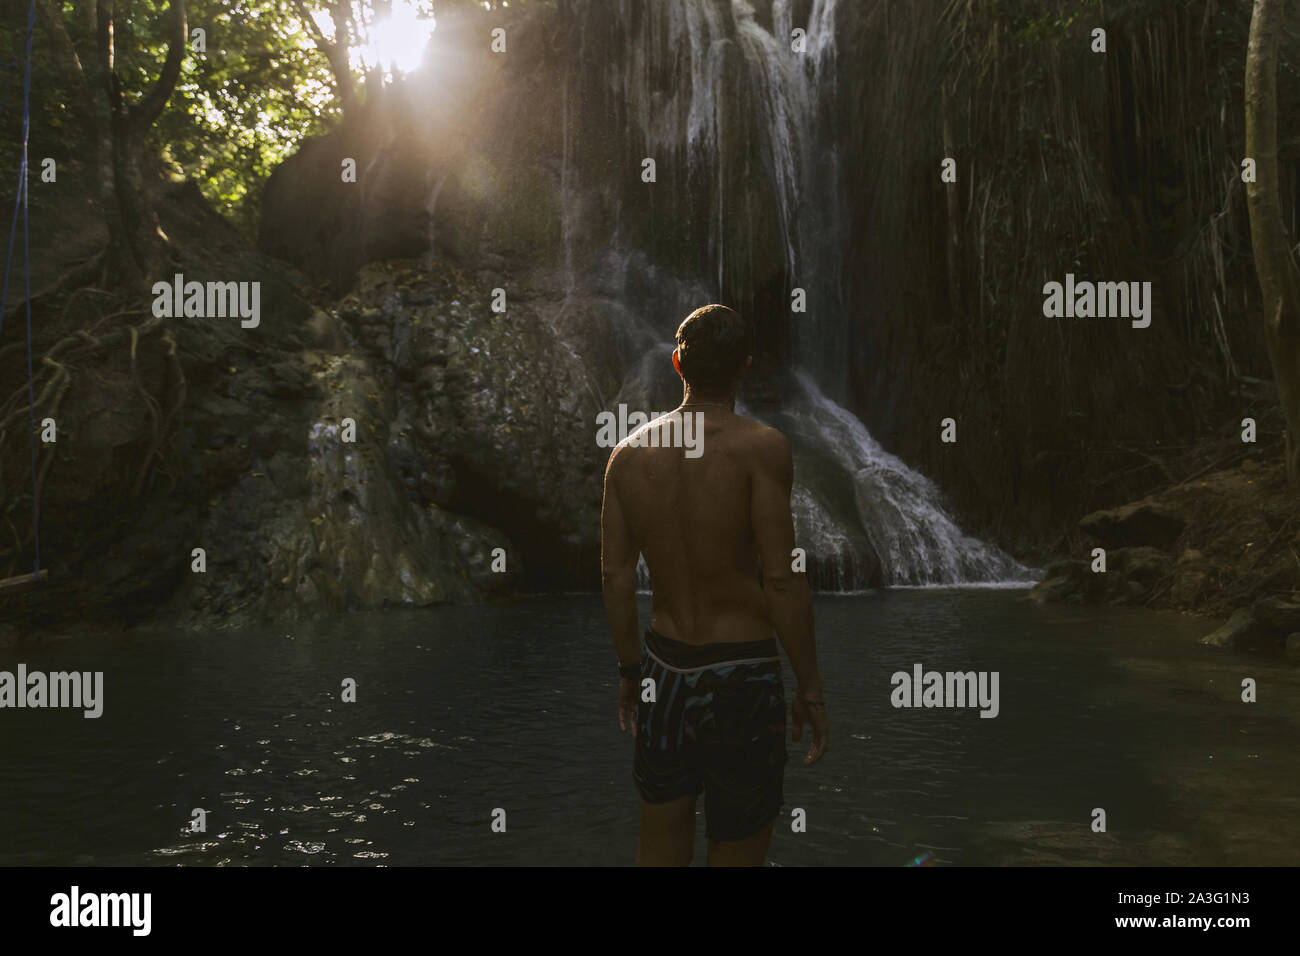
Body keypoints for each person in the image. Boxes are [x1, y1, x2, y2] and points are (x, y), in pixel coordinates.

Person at [600, 303, 829, 867]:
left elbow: (615, 576)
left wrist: (631, 671)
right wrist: (810, 688)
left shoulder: (626, 457)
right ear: (744, 368)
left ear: (677, 363)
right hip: (743, 677)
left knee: (659, 847)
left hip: (665, 673)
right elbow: (780, 576)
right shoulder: (762, 448)